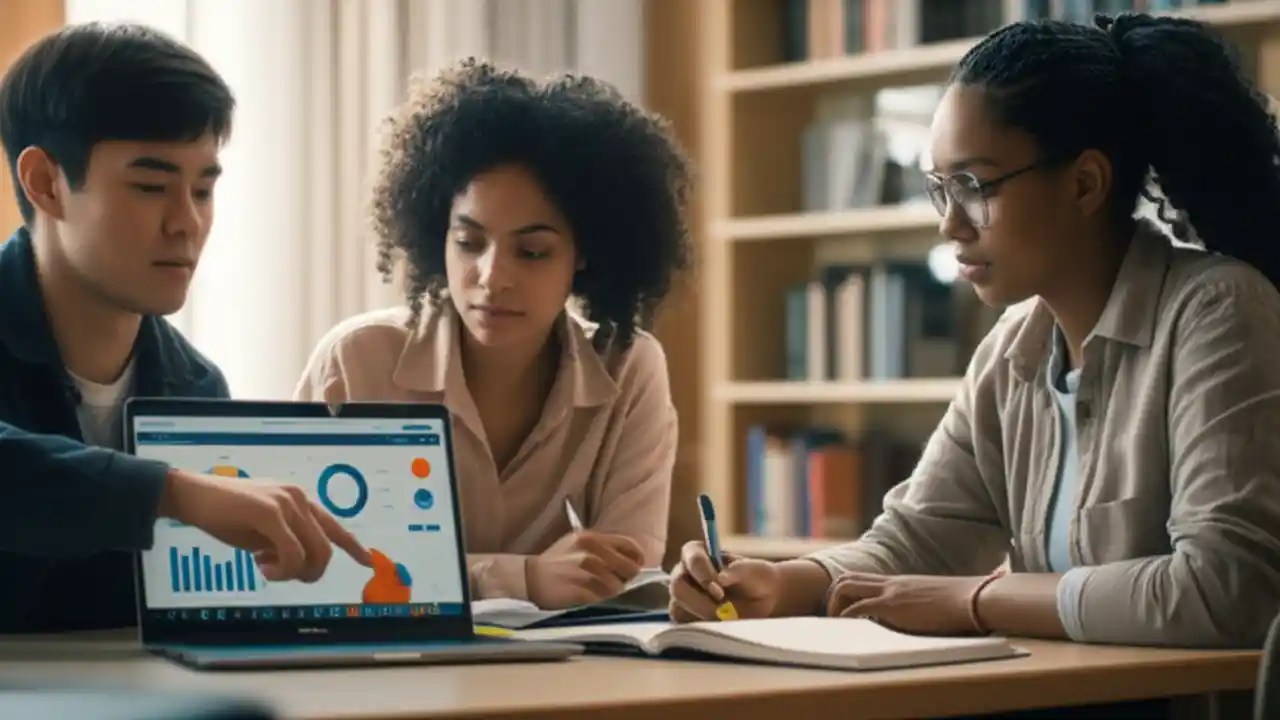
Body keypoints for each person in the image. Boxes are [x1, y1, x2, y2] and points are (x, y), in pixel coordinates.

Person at [671, 13, 1280, 650]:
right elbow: (918, 539)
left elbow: (1228, 587)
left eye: (974, 186)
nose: (950, 224)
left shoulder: (1217, 310)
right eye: (941, 189)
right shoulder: (1013, 349)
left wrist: (977, 599)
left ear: (1084, 183)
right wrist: (787, 582)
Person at [0, 22, 370, 634]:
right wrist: (171, 493)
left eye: (203, 190)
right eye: (151, 187)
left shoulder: (195, 385)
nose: (187, 223)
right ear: (45, 183)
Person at [296, 59, 692, 609]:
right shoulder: (356, 362)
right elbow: (319, 566)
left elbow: (625, 577)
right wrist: (521, 579)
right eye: (469, 242)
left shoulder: (629, 368)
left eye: (532, 252)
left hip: (564, 675)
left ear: (583, 255)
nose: (492, 277)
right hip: (386, 673)